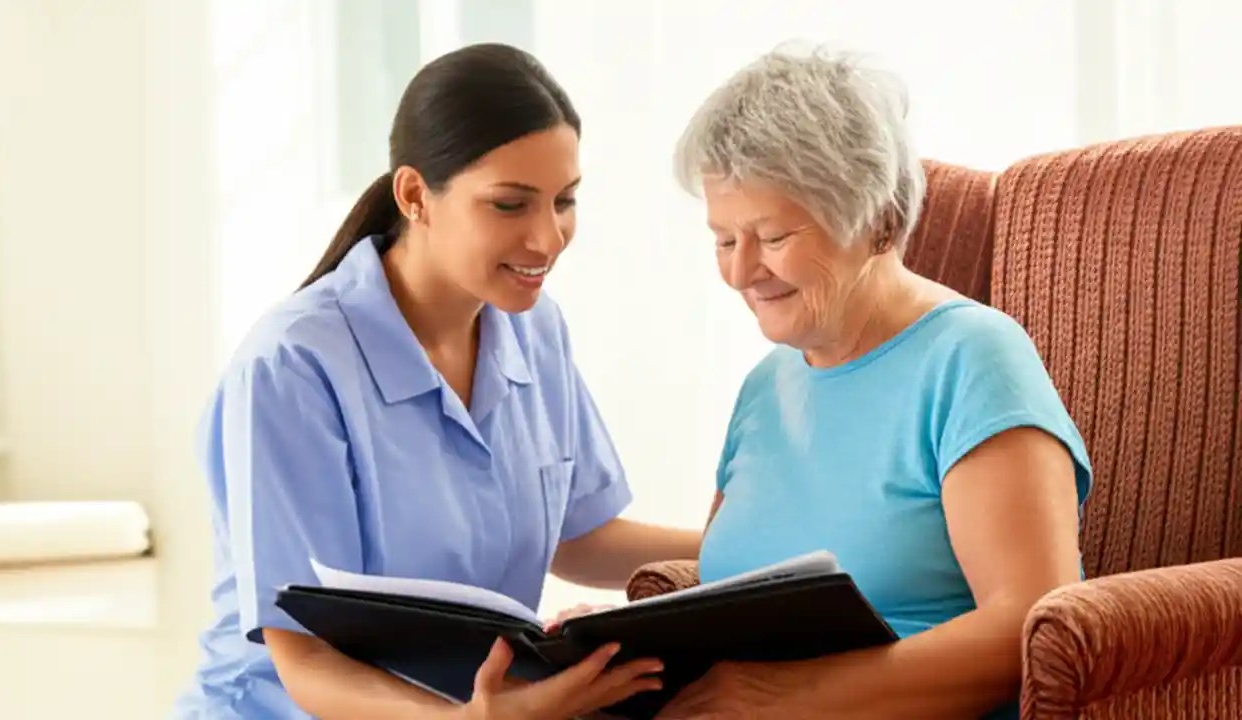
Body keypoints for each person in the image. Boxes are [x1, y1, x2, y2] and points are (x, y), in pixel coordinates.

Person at [172, 43, 700, 720]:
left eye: (564, 201)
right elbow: (304, 660)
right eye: (510, 205)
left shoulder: (534, 331)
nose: (548, 238)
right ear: (416, 195)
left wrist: (767, 546)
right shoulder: (294, 366)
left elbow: (580, 538)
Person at [654, 45, 1092, 720]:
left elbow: (1029, 626)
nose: (741, 273)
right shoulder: (763, 390)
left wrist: (789, 700)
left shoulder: (973, 360)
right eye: (722, 239)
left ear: (879, 220)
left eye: (772, 236)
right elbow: (730, 602)